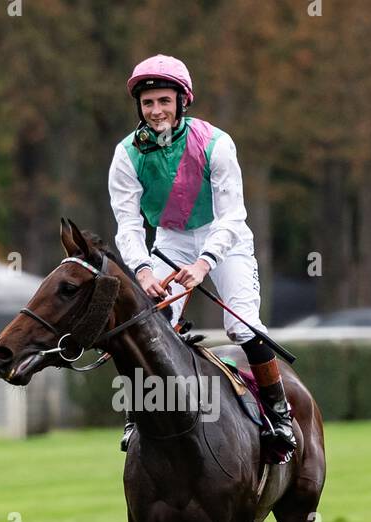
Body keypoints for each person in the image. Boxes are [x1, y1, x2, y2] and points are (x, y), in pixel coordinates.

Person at [109, 54, 295, 456]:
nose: (156, 110)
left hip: (223, 238)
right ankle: (137, 418)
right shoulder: (126, 154)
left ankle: (279, 417)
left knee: (241, 327)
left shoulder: (215, 143)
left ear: (182, 101)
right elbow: (128, 224)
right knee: (147, 325)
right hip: (170, 241)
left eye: (163, 101)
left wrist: (204, 263)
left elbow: (233, 216)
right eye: (148, 103)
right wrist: (142, 271)